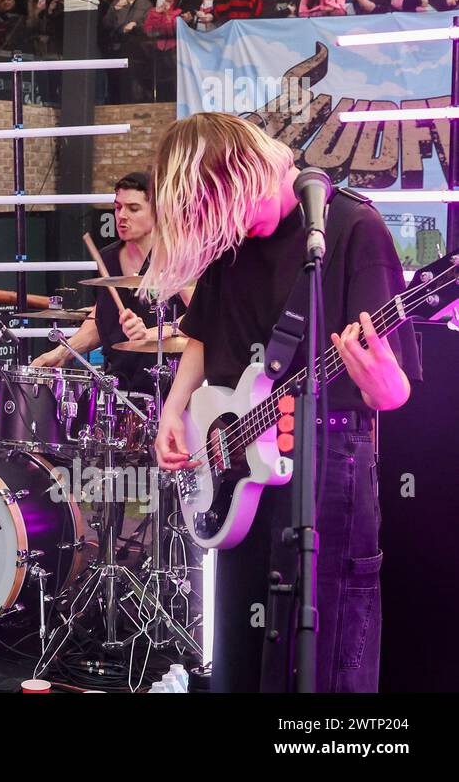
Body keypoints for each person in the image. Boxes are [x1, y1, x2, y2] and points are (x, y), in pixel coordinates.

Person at [144, 113, 420, 693]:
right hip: (241, 472)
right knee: (241, 652)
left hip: (330, 464)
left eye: (228, 212)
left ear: (245, 175)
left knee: (323, 652)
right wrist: (174, 408)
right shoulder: (231, 241)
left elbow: (394, 394)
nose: (229, 232)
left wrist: (380, 380)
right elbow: (202, 334)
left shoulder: (350, 229)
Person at [32, 172, 191, 389]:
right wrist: (63, 352)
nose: (122, 215)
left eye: (133, 208)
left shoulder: (178, 257)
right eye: (118, 207)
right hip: (119, 385)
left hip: (169, 384)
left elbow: (202, 317)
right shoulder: (108, 258)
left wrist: (152, 334)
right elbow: (102, 320)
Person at [142, 0, 181, 99]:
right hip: (157, 51)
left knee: (173, 81)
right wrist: (158, 13)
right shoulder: (153, 11)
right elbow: (149, 30)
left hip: (173, 51)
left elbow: (172, 30)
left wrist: (168, 15)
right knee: (158, 81)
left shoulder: (178, 12)